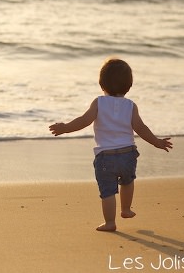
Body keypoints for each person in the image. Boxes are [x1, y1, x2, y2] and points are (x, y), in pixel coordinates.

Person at [49, 58, 172, 232]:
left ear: (101, 84)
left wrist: (65, 128)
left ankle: (110, 222)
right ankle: (126, 209)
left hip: (105, 156)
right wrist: (157, 142)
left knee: (107, 191)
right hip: (128, 153)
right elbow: (141, 128)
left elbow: (84, 120)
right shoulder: (131, 106)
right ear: (129, 86)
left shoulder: (99, 102)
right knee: (127, 182)